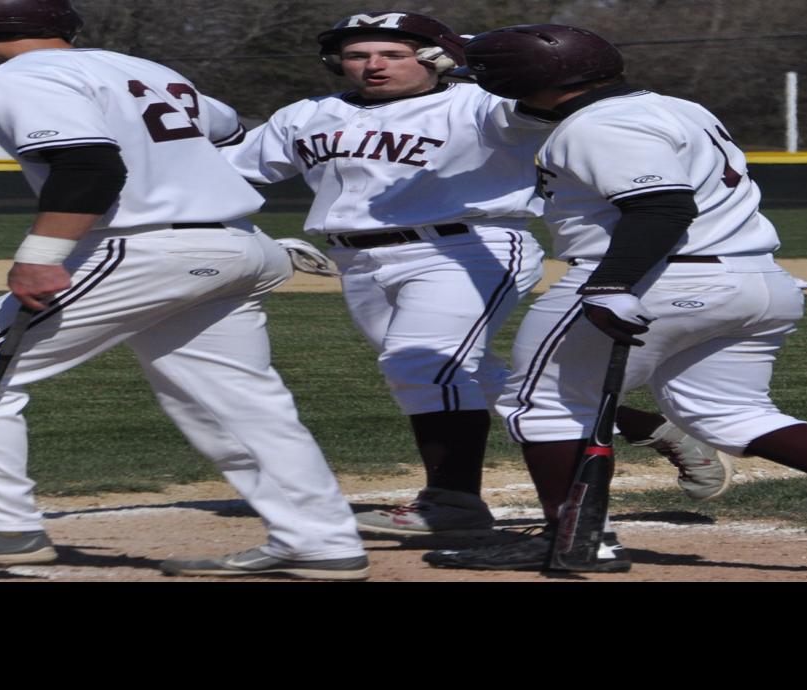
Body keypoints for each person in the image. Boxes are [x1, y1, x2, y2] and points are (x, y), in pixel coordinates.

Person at [423, 24, 807, 579]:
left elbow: (661, 207)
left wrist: (611, 286)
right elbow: (546, 118)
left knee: (543, 401)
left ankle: (570, 537)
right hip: (754, 280)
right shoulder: (672, 107)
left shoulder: (597, 127)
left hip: (653, 278)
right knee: (728, 412)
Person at [0, 0, 368, 581]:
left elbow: (88, 166)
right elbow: (227, 128)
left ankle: (1, 525)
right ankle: (319, 542)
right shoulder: (144, 68)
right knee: (238, 407)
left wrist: (41, 256)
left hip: (144, 248)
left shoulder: (15, 77)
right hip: (236, 242)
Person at [224, 11, 733, 538]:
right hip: (359, 261)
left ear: (433, 58)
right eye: (357, 55)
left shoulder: (483, 104)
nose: (373, 65)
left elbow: (552, 98)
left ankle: (452, 503)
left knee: (421, 364)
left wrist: (474, 57)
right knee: (460, 374)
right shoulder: (307, 114)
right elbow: (228, 174)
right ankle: (653, 430)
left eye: (394, 54)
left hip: (467, 247)